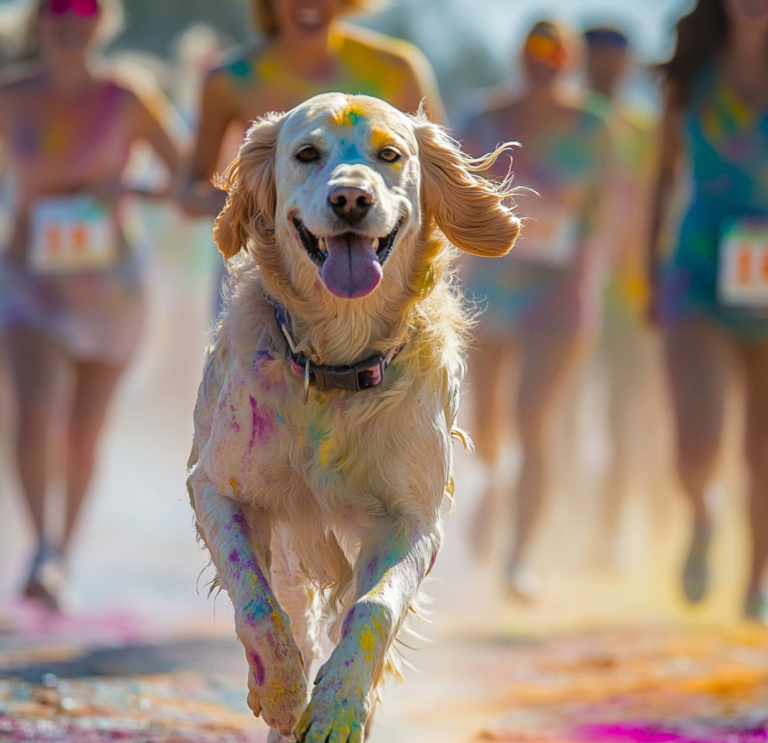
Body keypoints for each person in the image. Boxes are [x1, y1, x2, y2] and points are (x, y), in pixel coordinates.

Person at [0, 0, 179, 610]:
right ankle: (42, 548)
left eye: (86, 7)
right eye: (57, 7)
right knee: (31, 413)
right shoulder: (11, 96)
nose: (72, 18)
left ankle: (62, 557)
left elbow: (189, 180)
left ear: (103, 20)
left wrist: (128, 185)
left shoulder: (127, 97)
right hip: (30, 280)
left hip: (111, 288)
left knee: (81, 434)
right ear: (38, 21)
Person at [462, 20, 610, 599]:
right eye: (533, 52)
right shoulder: (482, 121)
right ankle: (489, 493)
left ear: (569, 61)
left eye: (555, 54)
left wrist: (568, 234)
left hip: (560, 295)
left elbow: (608, 209)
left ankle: (520, 556)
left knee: (533, 421)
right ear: (519, 58)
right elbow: (456, 198)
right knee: (485, 423)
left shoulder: (594, 127)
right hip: (492, 291)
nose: (544, 63)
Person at [178, 0, 445, 316]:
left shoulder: (398, 68)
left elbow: (436, 175)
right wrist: (252, 204)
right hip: (262, 281)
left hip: (386, 289)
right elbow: (189, 189)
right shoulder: (228, 78)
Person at [650, 0, 768, 620]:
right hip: (697, 274)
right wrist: (648, 267)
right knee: (696, 445)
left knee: (763, 451)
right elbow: (663, 178)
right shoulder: (690, 75)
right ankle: (702, 511)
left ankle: (755, 584)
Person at [582, 26, 661, 562]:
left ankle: (611, 530)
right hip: (561, 289)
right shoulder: (563, 121)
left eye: (615, 62)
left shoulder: (645, 129)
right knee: (553, 412)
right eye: (598, 61)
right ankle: (553, 521)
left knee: (626, 414)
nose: (607, 71)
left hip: (631, 294)